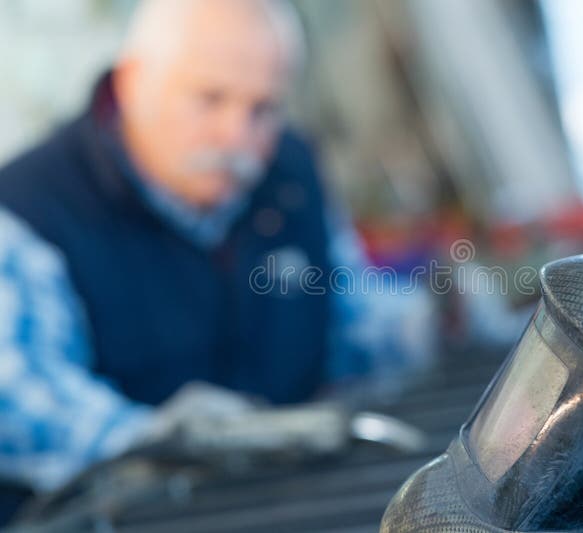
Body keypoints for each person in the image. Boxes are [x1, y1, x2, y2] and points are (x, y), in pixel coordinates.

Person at [0, 0, 428, 520]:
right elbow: (19, 399)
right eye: (209, 99)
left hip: (297, 507)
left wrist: (429, 316)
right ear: (133, 81)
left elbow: (352, 320)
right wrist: (158, 443)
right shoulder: (30, 208)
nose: (237, 135)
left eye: (263, 108)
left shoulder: (291, 175)